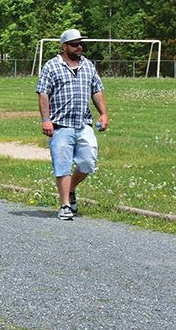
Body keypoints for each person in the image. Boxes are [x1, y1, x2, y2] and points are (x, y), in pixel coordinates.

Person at [36, 29, 108, 221]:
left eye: (80, 43)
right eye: (74, 44)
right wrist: (46, 119)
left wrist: (103, 113)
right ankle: (65, 205)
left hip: (83, 123)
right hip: (60, 125)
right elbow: (43, 94)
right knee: (62, 165)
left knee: (88, 162)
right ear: (64, 46)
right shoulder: (51, 66)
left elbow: (97, 90)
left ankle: (71, 189)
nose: (79, 47)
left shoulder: (88, 66)